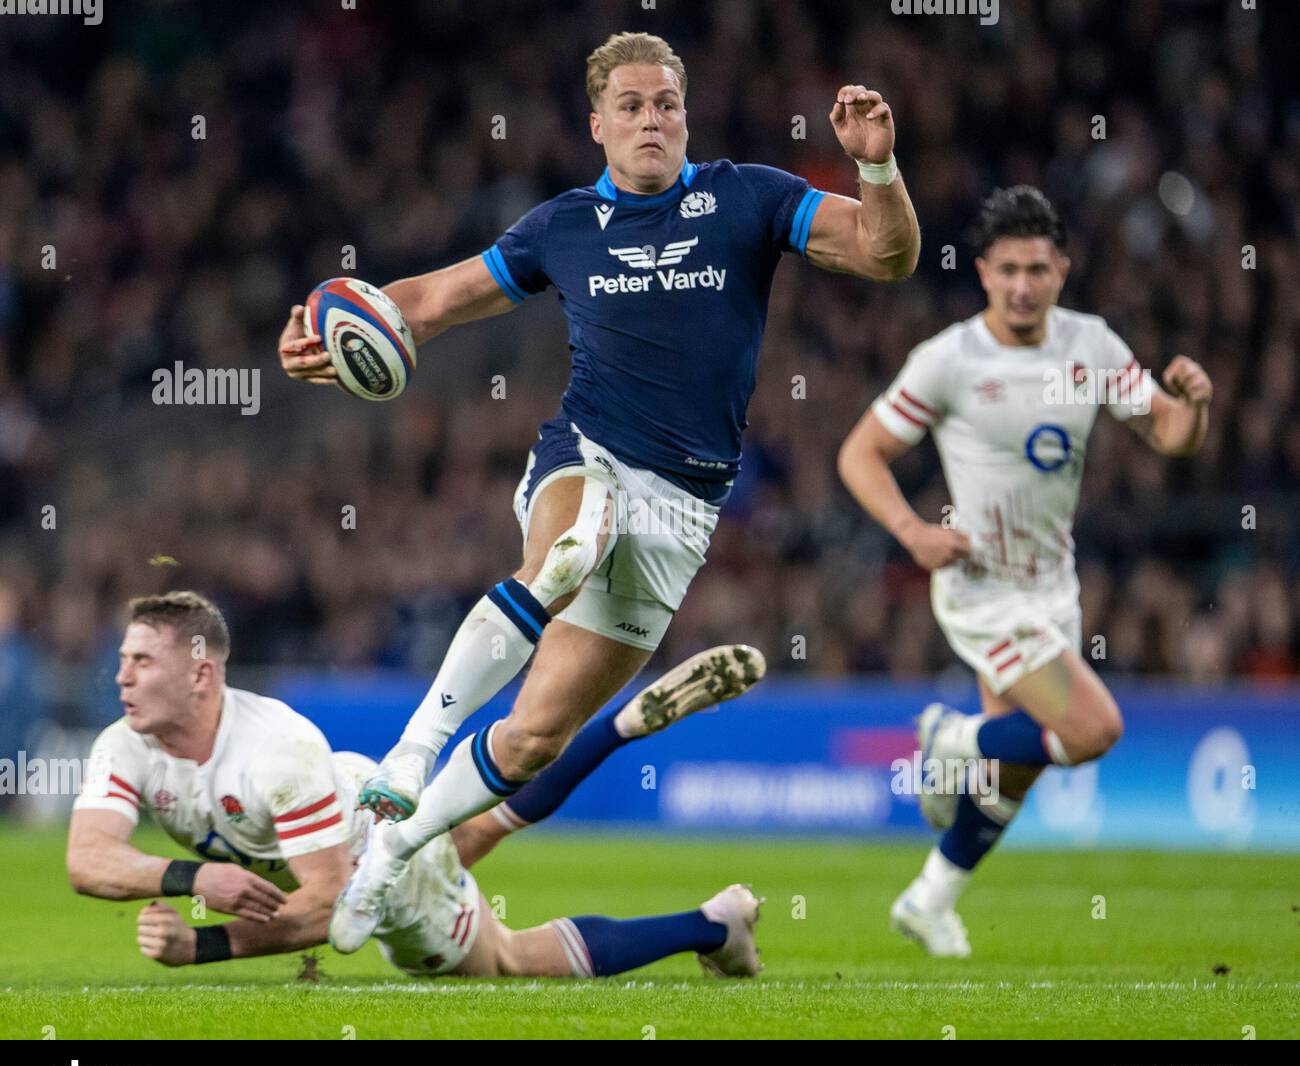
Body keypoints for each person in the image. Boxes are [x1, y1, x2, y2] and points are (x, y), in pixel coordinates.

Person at [278, 31, 920, 951]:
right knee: (569, 548)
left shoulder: (748, 197)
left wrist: (881, 167)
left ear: (685, 115)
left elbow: (886, 255)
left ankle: (394, 847)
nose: (651, 119)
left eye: (666, 104)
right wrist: (323, 325)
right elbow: (430, 302)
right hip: (587, 453)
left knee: (534, 736)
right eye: (631, 106)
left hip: (685, 508)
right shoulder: (563, 226)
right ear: (598, 125)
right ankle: (412, 754)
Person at [837, 186, 1212, 956]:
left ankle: (929, 898)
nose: (1022, 285)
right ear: (982, 272)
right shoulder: (948, 360)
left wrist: (1195, 405)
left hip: (1053, 585)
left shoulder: (1091, 345)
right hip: (982, 589)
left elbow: (1169, 435)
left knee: (1015, 768)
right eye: (1008, 269)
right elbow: (859, 453)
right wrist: (911, 530)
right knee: (1092, 729)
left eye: (1037, 269)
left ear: (1062, 270)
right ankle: (949, 738)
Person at [69, 590, 767, 977]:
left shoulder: (274, 751)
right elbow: (87, 858)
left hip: (380, 866)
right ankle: (617, 728)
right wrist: (191, 880)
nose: (122, 675)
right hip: (356, 799)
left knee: (509, 962)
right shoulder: (125, 744)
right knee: (475, 825)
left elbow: (326, 909)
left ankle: (710, 926)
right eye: (123, 659)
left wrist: (205, 945)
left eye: (142, 661)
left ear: (201, 674)